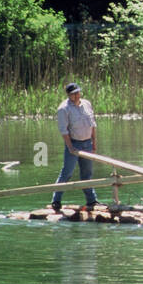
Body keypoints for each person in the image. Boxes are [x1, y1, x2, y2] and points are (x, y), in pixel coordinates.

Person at [51, 82, 100, 211]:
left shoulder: (86, 104)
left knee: (87, 173)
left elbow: (93, 125)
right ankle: (56, 200)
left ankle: (92, 200)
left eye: (78, 93)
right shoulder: (64, 109)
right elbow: (64, 131)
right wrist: (71, 147)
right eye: (74, 94)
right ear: (68, 95)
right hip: (74, 143)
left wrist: (94, 143)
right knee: (67, 173)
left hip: (87, 143)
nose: (77, 95)